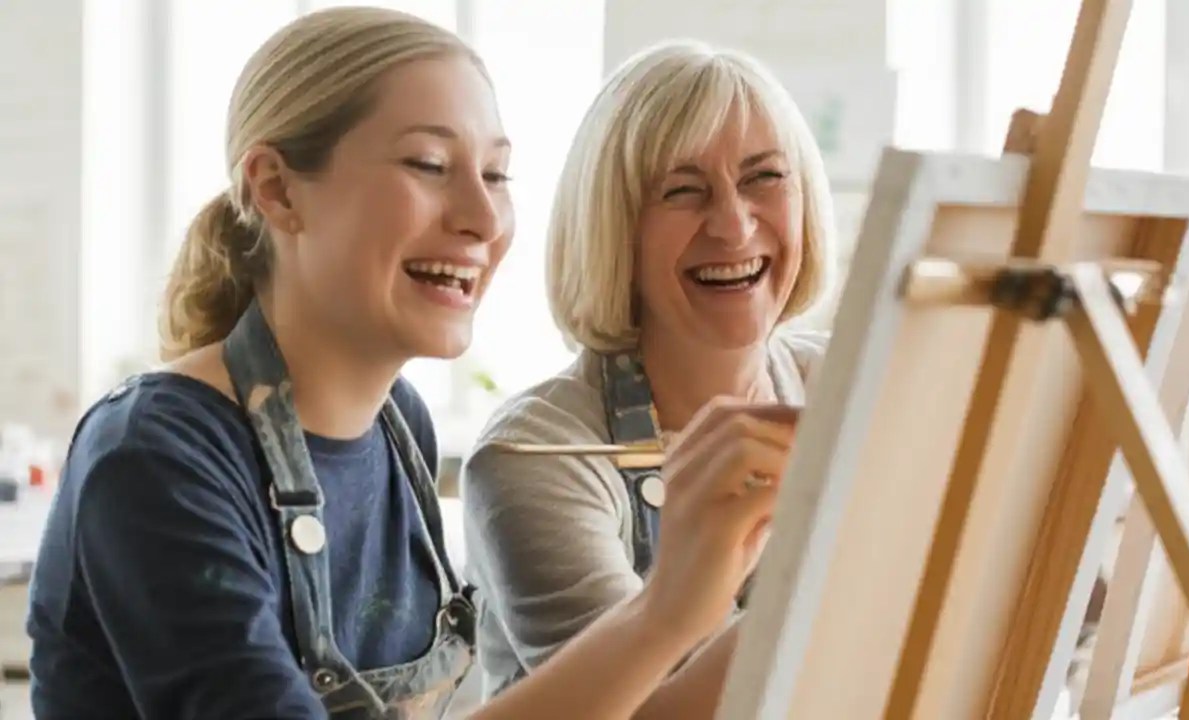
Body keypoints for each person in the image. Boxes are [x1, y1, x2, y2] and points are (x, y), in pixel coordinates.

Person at [24, 8, 797, 719]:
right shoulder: (156, 455)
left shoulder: (399, 430)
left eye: (495, 174)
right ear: (277, 190)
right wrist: (667, 616)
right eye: (429, 165)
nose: (482, 218)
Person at [461, 39, 835, 711]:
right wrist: (860, 558)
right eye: (683, 191)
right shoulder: (532, 456)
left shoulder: (841, 381)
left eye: (764, 178)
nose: (732, 224)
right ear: (616, 229)